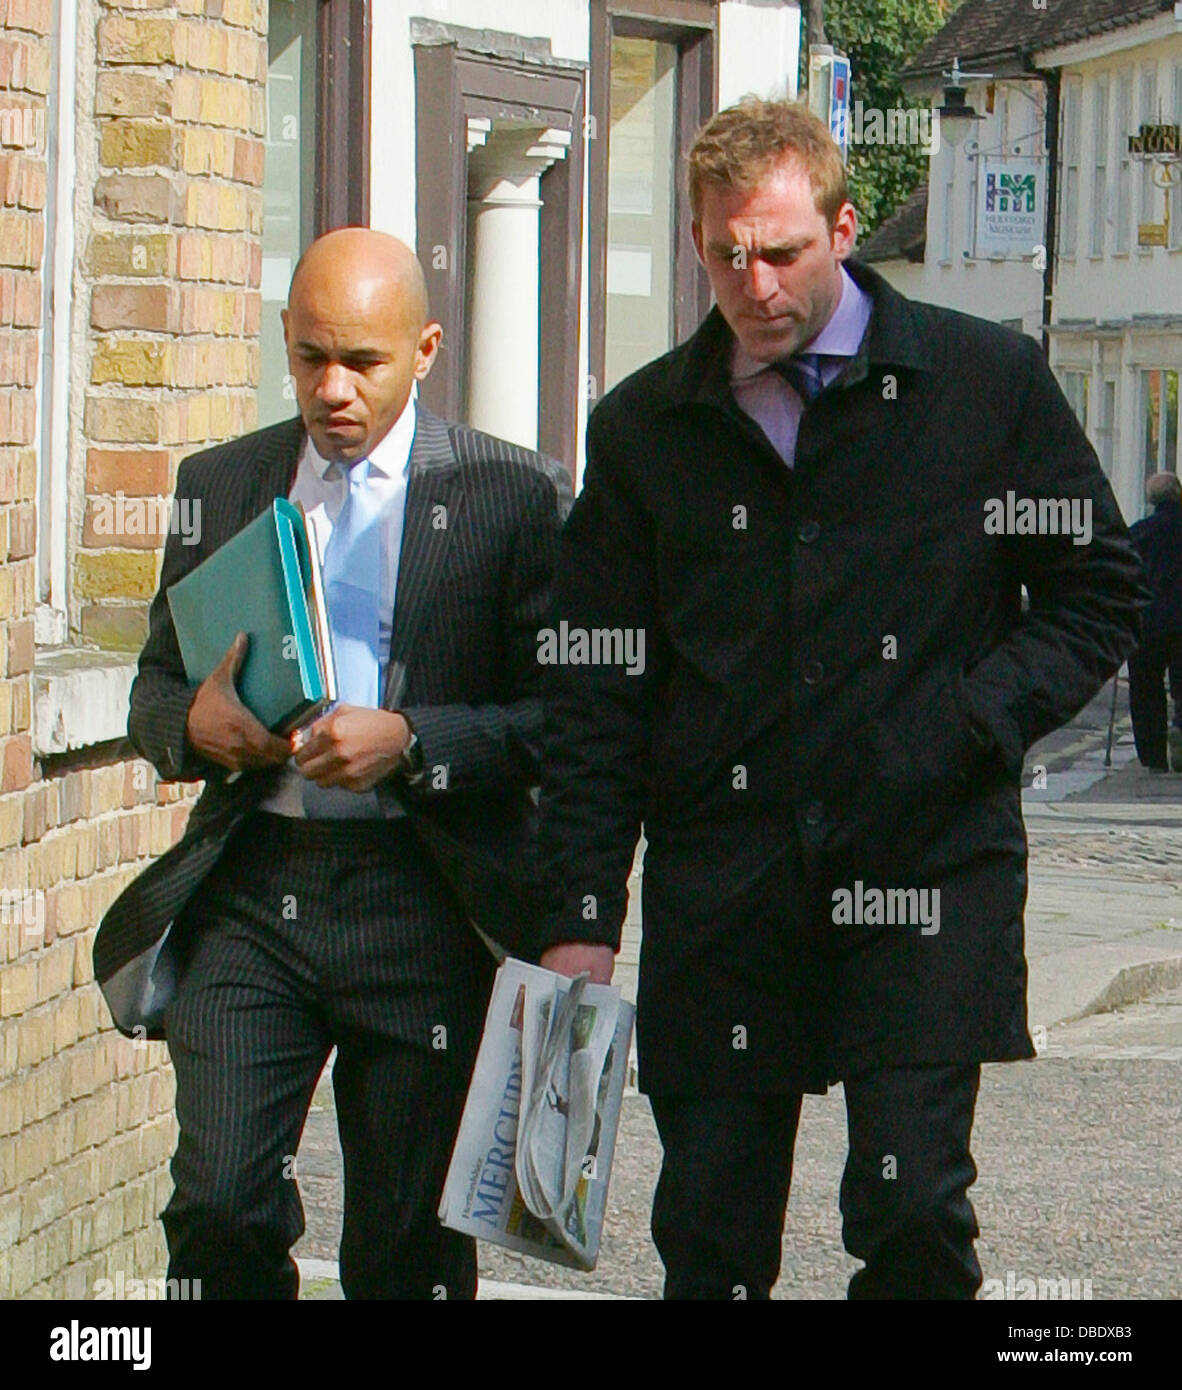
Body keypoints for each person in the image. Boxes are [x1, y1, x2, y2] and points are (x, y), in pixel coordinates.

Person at [536, 100, 1145, 1299]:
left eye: (781, 252)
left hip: (926, 866)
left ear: (845, 228)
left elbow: (1097, 592)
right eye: (724, 255)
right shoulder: (649, 429)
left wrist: (969, 722)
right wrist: (581, 913)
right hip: (728, 889)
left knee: (915, 1213)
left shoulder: (982, 384)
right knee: (708, 1237)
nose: (752, 284)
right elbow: (599, 687)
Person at [94, 228, 570, 1299]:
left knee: (405, 1242)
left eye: (363, 361)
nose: (333, 388)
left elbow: (565, 719)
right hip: (253, 886)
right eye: (311, 357)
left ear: (426, 349)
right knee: (217, 1196)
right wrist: (195, 727)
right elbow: (151, 690)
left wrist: (416, 742)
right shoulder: (218, 483)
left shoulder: (514, 496)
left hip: (424, 892)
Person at [1128, 471, 1182, 771]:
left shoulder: (1139, 533)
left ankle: (1153, 756)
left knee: (1145, 687)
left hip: (1147, 620)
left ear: (1151, 500)